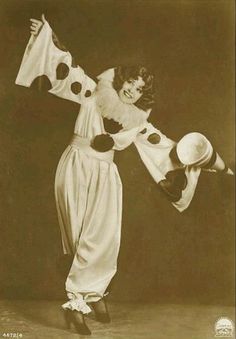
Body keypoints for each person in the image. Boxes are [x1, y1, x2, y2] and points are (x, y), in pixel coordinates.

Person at [15, 15, 233, 335]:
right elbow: (64, 68)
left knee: (102, 239)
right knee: (77, 237)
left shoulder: (137, 122)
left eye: (139, 88)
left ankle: (89, 295)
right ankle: (83, 298)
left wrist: (216, 164)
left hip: (106, 176)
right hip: (76, 166)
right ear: (122, 80)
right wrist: (43, 36)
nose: (132, 89)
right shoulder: (93, 91)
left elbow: (169, 148)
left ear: (143, 93)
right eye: (130, 82)